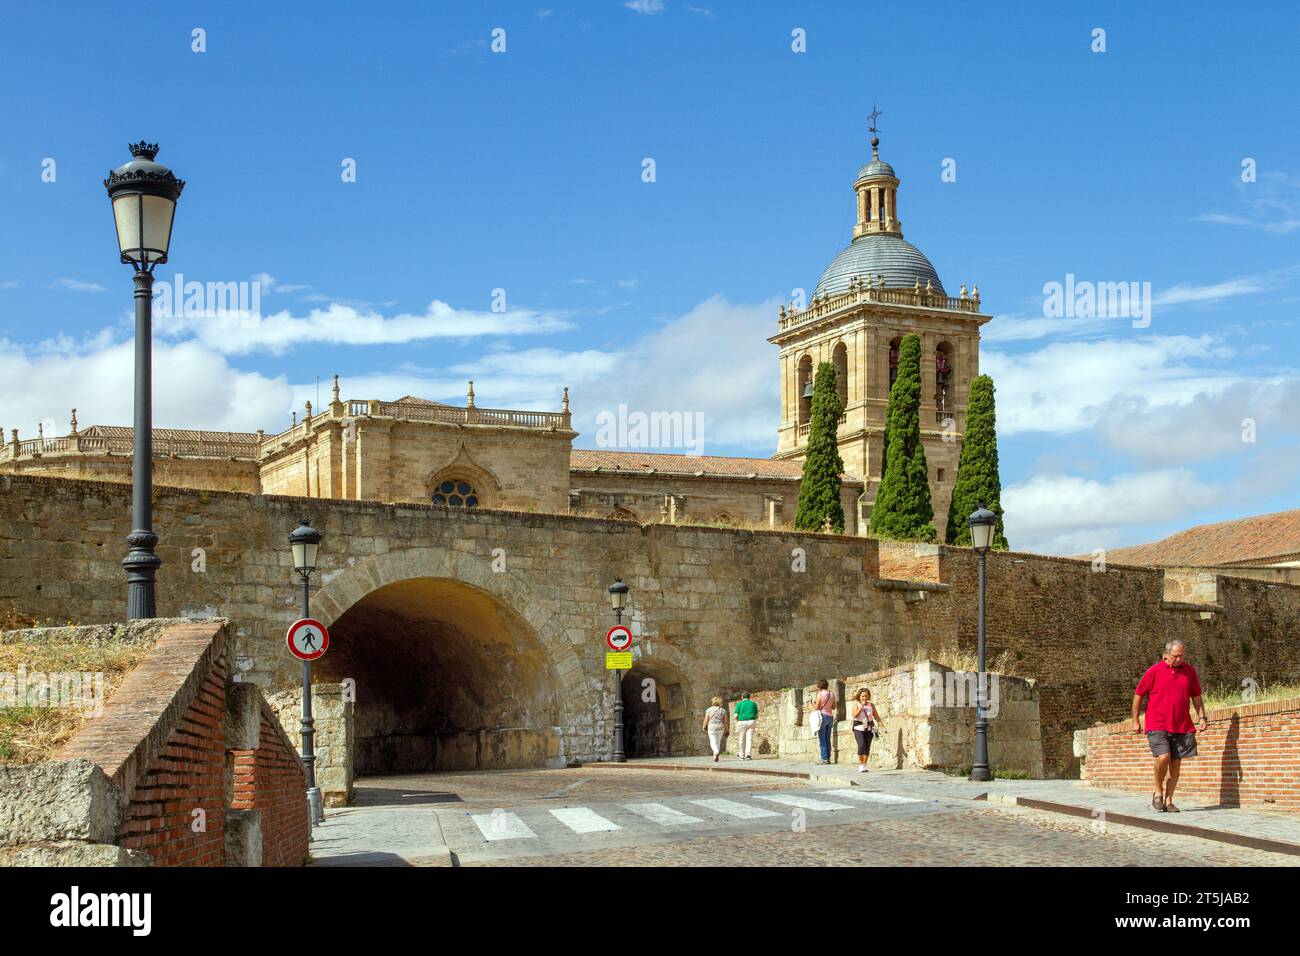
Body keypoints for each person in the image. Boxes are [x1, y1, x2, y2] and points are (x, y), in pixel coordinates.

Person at [1132, 639, 1207, 813]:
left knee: (1175, 765)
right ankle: (1157, 791)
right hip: (1157, 723)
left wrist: (1202, 716)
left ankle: (1169, 800)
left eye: (1181, 656)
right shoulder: (1154, 671)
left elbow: (1196, 696)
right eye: (1175, 656)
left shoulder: (1189, 672)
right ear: (1165, 655)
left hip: (1181, 725)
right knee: (1163, 757)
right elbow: (1138, 695)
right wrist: (1135, 720)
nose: (1179, 659)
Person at [850, 688, 886, 773]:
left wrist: (882, 727)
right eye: (863, 696)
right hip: (858, 728)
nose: (864, 698)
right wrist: (861, 708)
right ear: (859, 696)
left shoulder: (871, 705)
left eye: (866, 696)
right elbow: (854, 715)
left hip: (869, 728)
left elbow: (876, 716)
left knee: (867, 747)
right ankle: (861, 764)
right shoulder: (856, 705)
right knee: (861, 745)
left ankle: (864, 765)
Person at [808, 679, 836, 764]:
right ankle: (828, 758)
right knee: (827, 738)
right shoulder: (832, 694)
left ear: (819, 686)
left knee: (822, 739)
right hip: (830, 717)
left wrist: (811, 704)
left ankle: (824, 759)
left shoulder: (820, 694)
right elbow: (834, 707)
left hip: (822, 717)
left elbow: (816, 708)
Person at [702, 695, 729, 762]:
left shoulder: (709, 710)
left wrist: (703, 726)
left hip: (712, 727)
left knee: (712, 742)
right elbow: (725, 722)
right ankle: (715, 756)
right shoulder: (723, 710)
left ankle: (716, 751)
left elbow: (706, 720)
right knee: (718, 742)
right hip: (720, 727)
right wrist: (727, 730)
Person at [734, 692, 759, 760]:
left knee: (741, 738)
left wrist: (736, 723)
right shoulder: (753, 704)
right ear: (749, 697)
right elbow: (756, 715)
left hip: (742, 721)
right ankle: (748, 754)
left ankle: (741, 755)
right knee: (749, 738)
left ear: (742, 697)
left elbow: (735, 715)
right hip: (751, 721)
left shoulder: (739, 704)